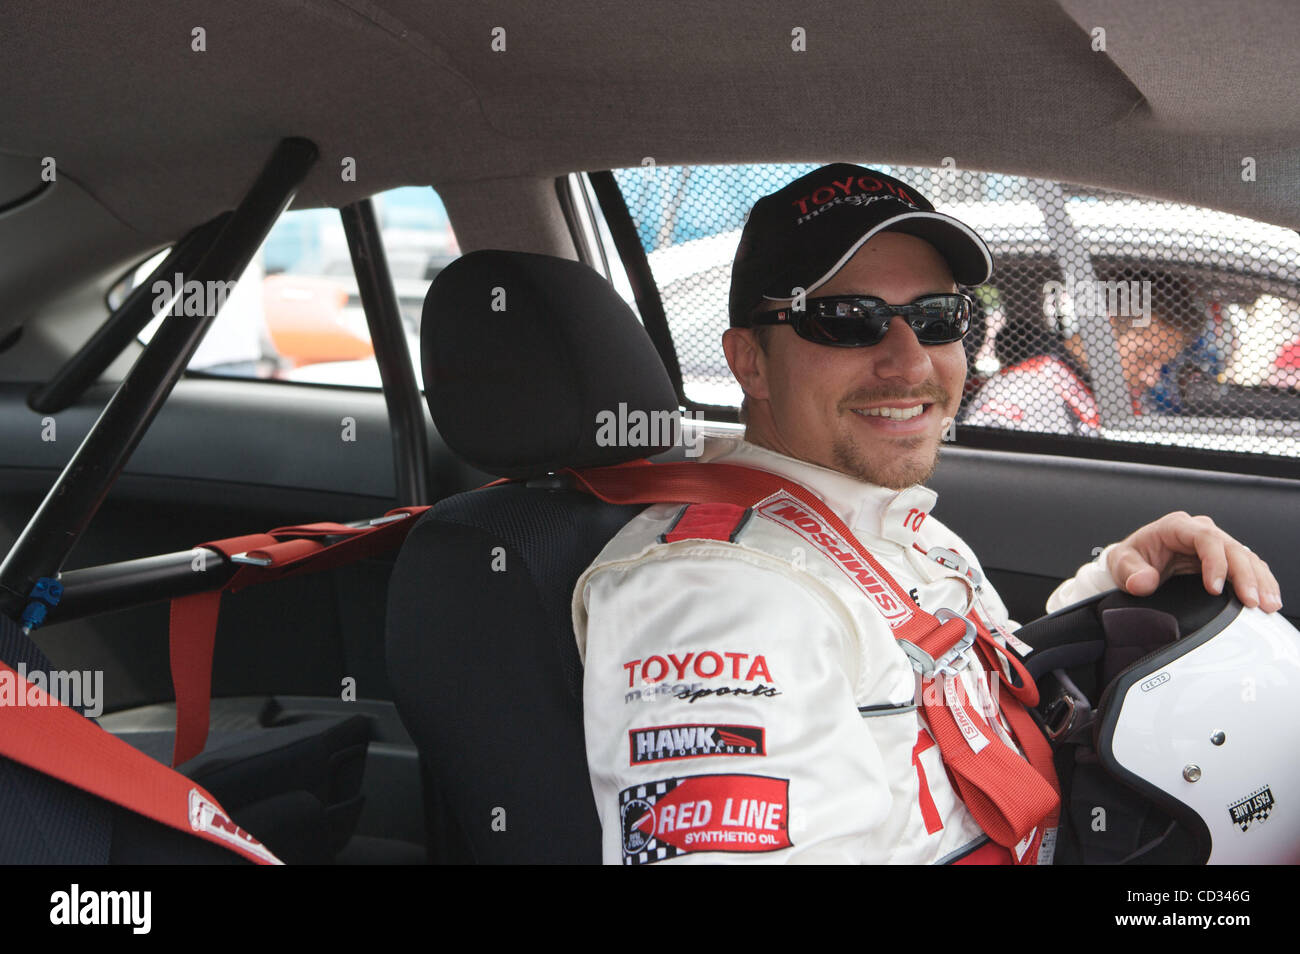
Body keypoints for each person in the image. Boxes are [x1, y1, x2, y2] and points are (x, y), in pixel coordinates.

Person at [571, 164, 1281, 865]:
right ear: (749, 361)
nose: (909, 363)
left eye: (938, 319)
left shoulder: (884, 523)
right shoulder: (712, 596)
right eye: (848, 321)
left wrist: (1110, 586)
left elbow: (966, 691)